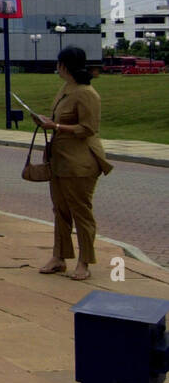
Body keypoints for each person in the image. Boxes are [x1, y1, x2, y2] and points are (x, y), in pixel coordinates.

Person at [32, 47, 113, 281]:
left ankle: (84, 261)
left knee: (81, 212)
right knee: (60, 210)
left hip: (80, 162)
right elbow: (60, 119)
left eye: (59, 64)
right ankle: (59, 256)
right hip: (59, 160)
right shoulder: (65, 89)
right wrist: (48, 122)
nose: (57, 68)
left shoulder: (87, 93)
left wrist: (56, 127)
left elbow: (88, 129)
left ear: (65, 65)